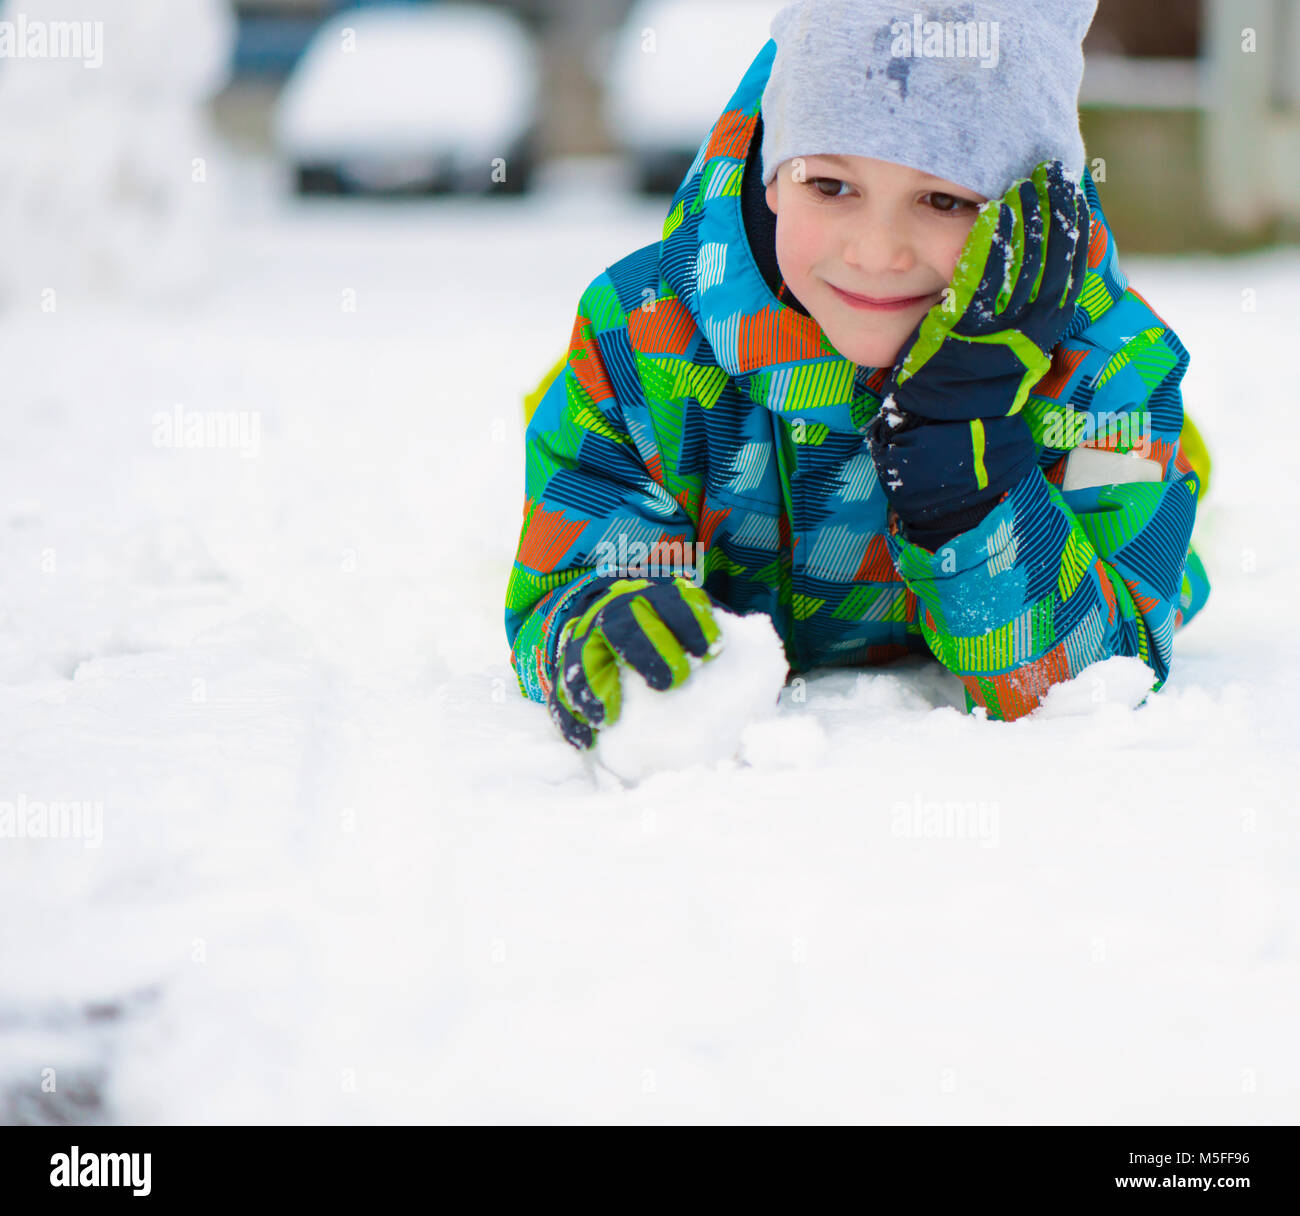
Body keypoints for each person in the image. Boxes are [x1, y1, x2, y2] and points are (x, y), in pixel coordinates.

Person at [505, 0, 1211, 749]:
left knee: (1157, 473)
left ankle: (1185, 463)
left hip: (1064, 429)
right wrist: (601, 624)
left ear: (1027, 209)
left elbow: (1099, 681)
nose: (876, 253)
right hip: (685, 389)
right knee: (566, 409)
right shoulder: (637, 338)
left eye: (945, 198)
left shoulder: (1105, 371)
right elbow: (569, 584)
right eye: (830, 186)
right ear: (772, 175)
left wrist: (970, 479)